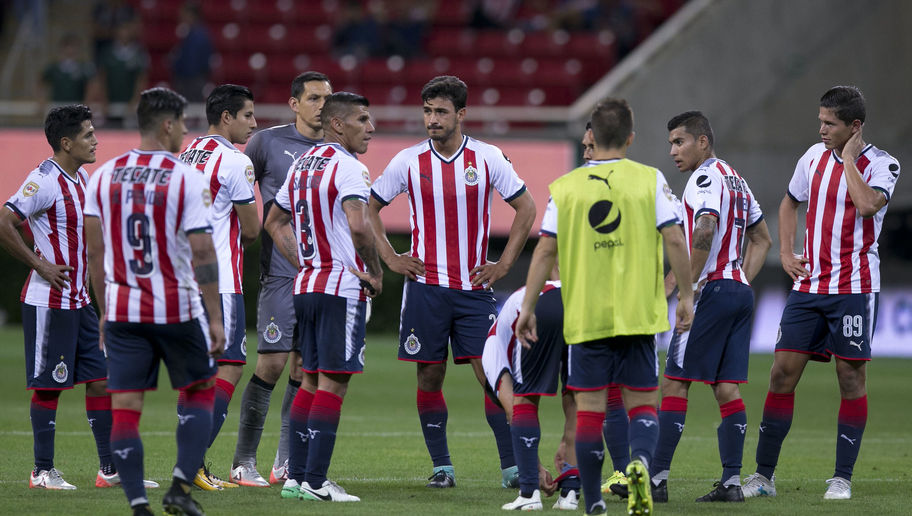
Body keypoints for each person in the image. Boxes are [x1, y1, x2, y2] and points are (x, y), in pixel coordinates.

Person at [515, 98, 694, 516]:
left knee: (591, 411)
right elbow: (674, 238)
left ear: (592, 136)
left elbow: (545, 251)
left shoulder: (566, 188)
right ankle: (640, 463)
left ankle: (594, 500)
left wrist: (527, 306)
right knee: (643, 404)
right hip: (638, 314)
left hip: (587, 316)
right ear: (630, 137)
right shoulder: (650, 180)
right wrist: (685, 295)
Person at [369, 75, 537, 489]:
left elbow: (527, 208)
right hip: (425, 290)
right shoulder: (408, 161)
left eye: (441, 112)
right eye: (427, 111)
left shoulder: (487, 157)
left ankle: (512, 468)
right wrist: (390, 257)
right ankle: (442, 468)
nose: (432, 119)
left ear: (461, 114)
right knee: (429, 377)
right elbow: (368, 207)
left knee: (491, 374)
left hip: (474, 290)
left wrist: (504, 264)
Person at [743, 86, 901, 501]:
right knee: (781, 374)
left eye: (830, 123)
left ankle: (841, 478)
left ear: (855, 126)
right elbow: (788, 202)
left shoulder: (884, 164)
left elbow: (866, 205)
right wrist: (785, 251)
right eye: (820, 121)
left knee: (850, 378)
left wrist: (848, 159)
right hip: (809, 286)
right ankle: (763, 477)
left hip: (854, 288)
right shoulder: (812, 158)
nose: (821, 129)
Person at [83, 87, 226, 516]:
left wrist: (104, 311)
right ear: (167, 125)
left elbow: (95, 254)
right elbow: (203, 252)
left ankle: (139, 506)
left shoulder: (103, 176)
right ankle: (180, 487)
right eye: (182, 122)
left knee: (126, 407)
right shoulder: (186, 177)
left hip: (123, 310)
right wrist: (215, 318)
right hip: (176, 308)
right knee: (201, 389)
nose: (184, 130)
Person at [0, 105, 155, 492]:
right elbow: (4, 222)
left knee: (101, 380)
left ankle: (110, 469)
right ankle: (42, 472)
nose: (96, 141)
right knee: (49, 387)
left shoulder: (81, 178)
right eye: (88, 135)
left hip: (80, 301)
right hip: (49, 301)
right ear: (66, 143)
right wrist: (40, 264)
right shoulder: (44, 181)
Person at [645, 111, 772, 503]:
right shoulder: (737, 179)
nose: (673, 151)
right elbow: (762, 239)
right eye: (670, 143)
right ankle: (731, 484)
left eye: (679, 141)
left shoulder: (703, 179)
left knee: (674, 382)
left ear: (703, 141)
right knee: (726, 388)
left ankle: (655, 479)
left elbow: (704, 228)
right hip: (738, 292)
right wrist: (740, 279)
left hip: (711, 292)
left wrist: (685, 289)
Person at [264, 91, 383, 502]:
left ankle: (296, 479)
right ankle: (316, 482)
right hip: (339, 290)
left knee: (310, 381)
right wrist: (375, 271)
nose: (370, 128)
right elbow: (360, 226)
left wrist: (305, 261)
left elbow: (273, 221)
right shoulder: (350, 167)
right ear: (337, 124)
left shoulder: (301, 165)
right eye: (362, 119)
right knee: (333, 384)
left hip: (307, 285)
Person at [231, 71, 332, 485]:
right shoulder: (266, 143)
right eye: (314, 98)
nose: (322, 105)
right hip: (280, 272)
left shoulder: (337, 149)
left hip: (321, 276)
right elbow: (236, 186)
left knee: (304, 368)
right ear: (294, 104)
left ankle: (285, 462)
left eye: (326, 98)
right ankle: (243, 462)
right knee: (272, 363)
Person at [178, 84, 260, 489]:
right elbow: (252, 229)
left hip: (183, 279)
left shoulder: (185, 154)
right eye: (247, 115)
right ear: (226, 117)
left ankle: (191, 463)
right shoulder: (235, 161)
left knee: (197, 372)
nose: (254, 123)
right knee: (229, 365)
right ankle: (191, 462)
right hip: (221, 281)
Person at [482, 264, 581, 511]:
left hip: (538, 308)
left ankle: (529, 494)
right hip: (581, 301)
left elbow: (513, 410)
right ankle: (570, 493)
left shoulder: (490, 355)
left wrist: (534, 469)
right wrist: (566, 443)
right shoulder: (501, 334)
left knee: (524, 399)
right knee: (576, 398)